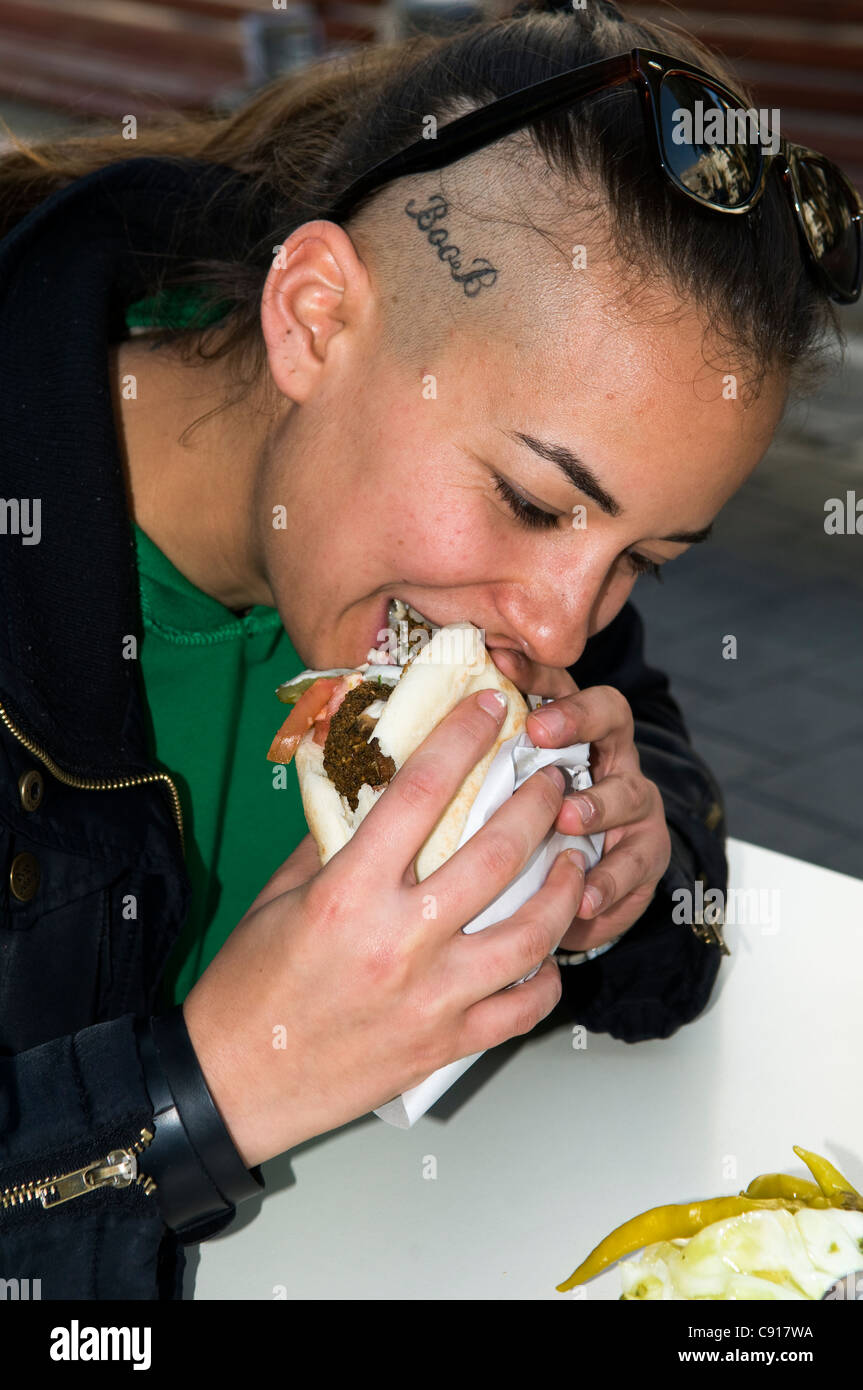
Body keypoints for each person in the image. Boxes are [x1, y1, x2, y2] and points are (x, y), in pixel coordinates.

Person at [0, 0, 856, 1300]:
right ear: (313, 319)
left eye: (640, 558)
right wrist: (207, 1091)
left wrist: (631, 867)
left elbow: (658, 780)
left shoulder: (460, 578)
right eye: (531, 501)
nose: (564, 624)